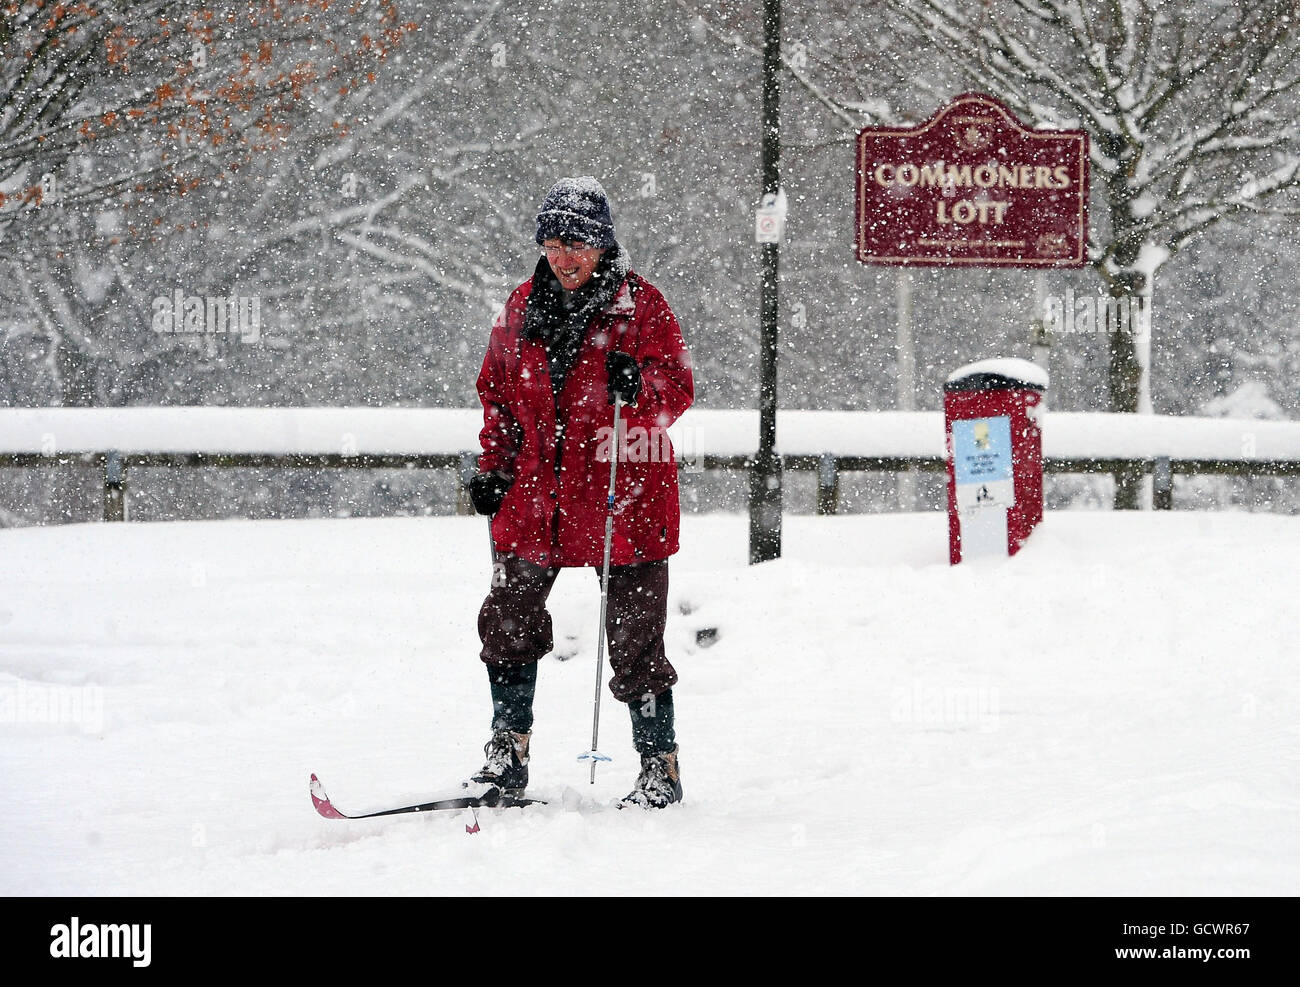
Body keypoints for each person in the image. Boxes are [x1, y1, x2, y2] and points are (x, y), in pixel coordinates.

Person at [466, 176, 694, 808]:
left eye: (578, 243)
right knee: (507, 617)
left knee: (636, 638)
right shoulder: (518, 309)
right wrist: (493, 466)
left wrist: (638, 388)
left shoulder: (641, 307)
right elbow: (499, 396)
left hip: (626, 493)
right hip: (536, 495)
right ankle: (506, 752)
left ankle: (659, 768)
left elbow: (676, 386)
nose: (564, 256)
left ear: (603, 245)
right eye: (553, 241)